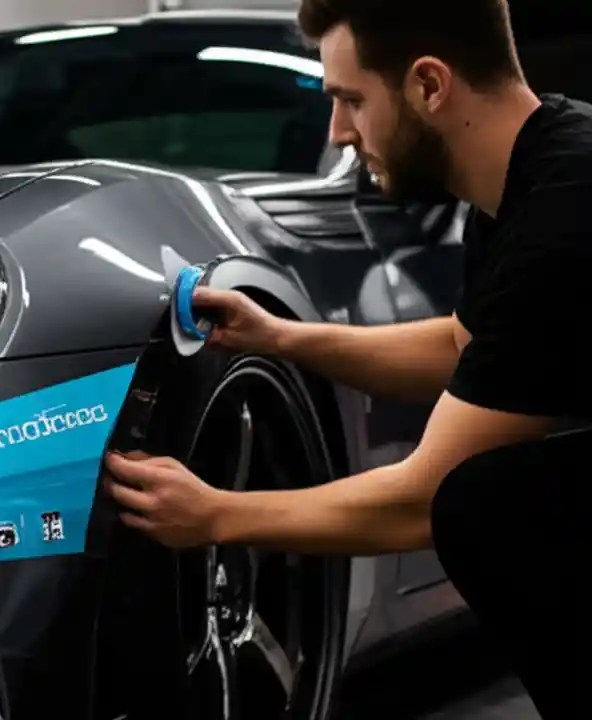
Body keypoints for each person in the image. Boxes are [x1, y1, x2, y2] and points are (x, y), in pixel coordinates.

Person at [102, 1, 589, 717]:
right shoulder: (544, 163)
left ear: (429, 85)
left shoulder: (567, 213)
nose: (340, 132)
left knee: (484, 502)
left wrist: (214, 516)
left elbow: (420, 500)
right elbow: (467, 346)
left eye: (350, 100)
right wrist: (283, 338)